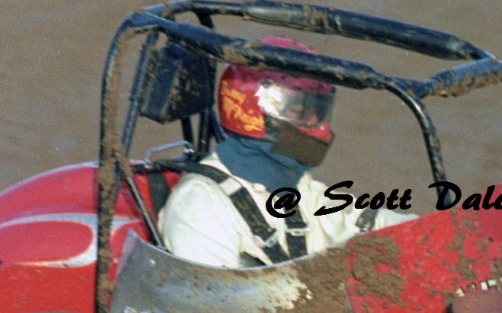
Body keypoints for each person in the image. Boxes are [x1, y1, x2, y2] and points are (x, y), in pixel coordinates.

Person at [158, 37, 402, 267]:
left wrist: (437, 232)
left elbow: (366, 224)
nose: (319, 126)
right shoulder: (201, 205)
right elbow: (206, 307)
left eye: (320, 111)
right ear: (252, 113)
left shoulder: (295, 189)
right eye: (301, 111)